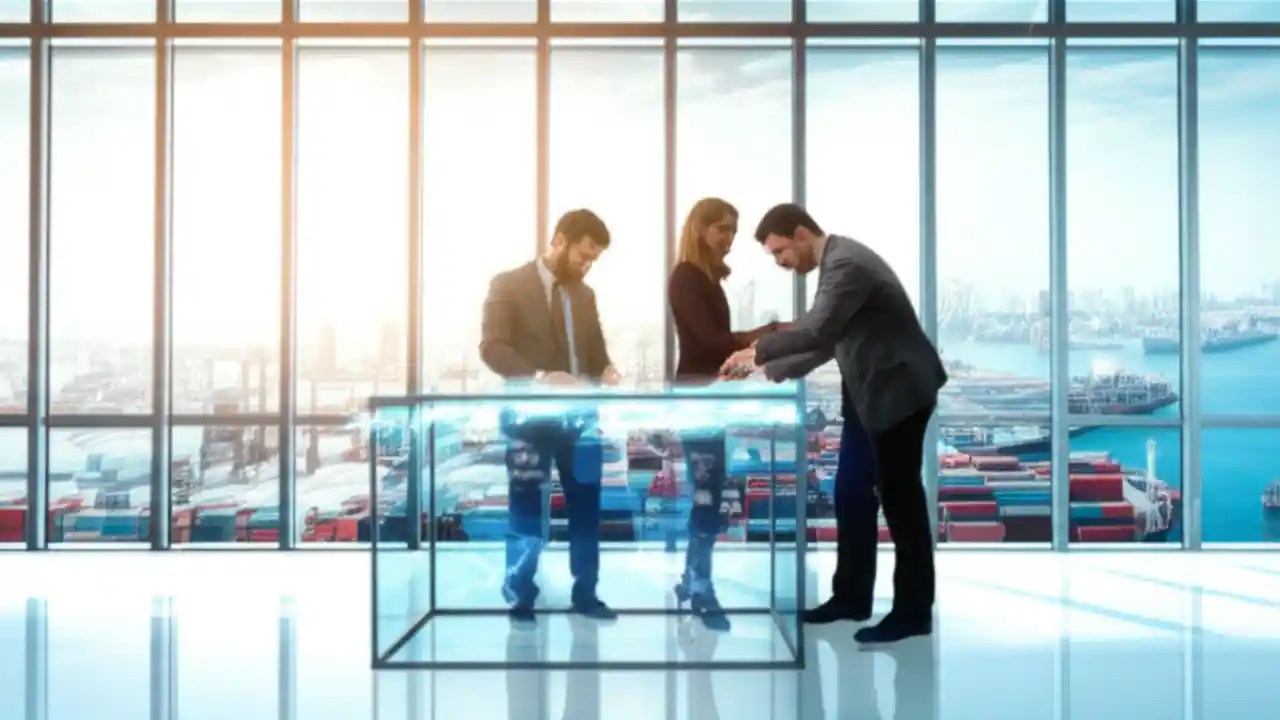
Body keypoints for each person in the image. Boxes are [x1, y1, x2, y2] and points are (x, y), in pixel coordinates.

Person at [720, 203, 947, 645]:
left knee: (900, 500)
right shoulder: (834, 267)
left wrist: (757, 351)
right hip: (868, 393)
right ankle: (851, 598)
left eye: (780, 252)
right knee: (849, 491)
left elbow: (818, 332)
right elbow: (829, 344)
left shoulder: (844, 264)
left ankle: (913, 611)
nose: (781, 263)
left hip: (898, 390)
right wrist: (765, 369)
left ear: (802, 234)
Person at [479, 208, 621, 627]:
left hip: (581, 421)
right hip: (530, 419)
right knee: (526, 507)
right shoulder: (508, 284)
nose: (586, 265)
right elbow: (492, 348)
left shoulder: (585, 294)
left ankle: (586, 594)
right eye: (582, 255)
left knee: (586, 507)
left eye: (593, 259)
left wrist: (607, 370)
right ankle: (521, 595)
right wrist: (542, 377)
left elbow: (595, 352)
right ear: (559, 240)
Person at [667, 197, 780, 631]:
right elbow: (712, 343)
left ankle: (692, 581)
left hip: (708, 399)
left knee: (708, 494)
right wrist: (766, 334)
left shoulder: (706, 279)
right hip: (698, 403)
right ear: (700, 230)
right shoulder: (687, 278)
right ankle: (700, 589)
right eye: (722, 229)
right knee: (707, 497)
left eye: (734, 229)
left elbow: (713, 347)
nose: (730, 238)